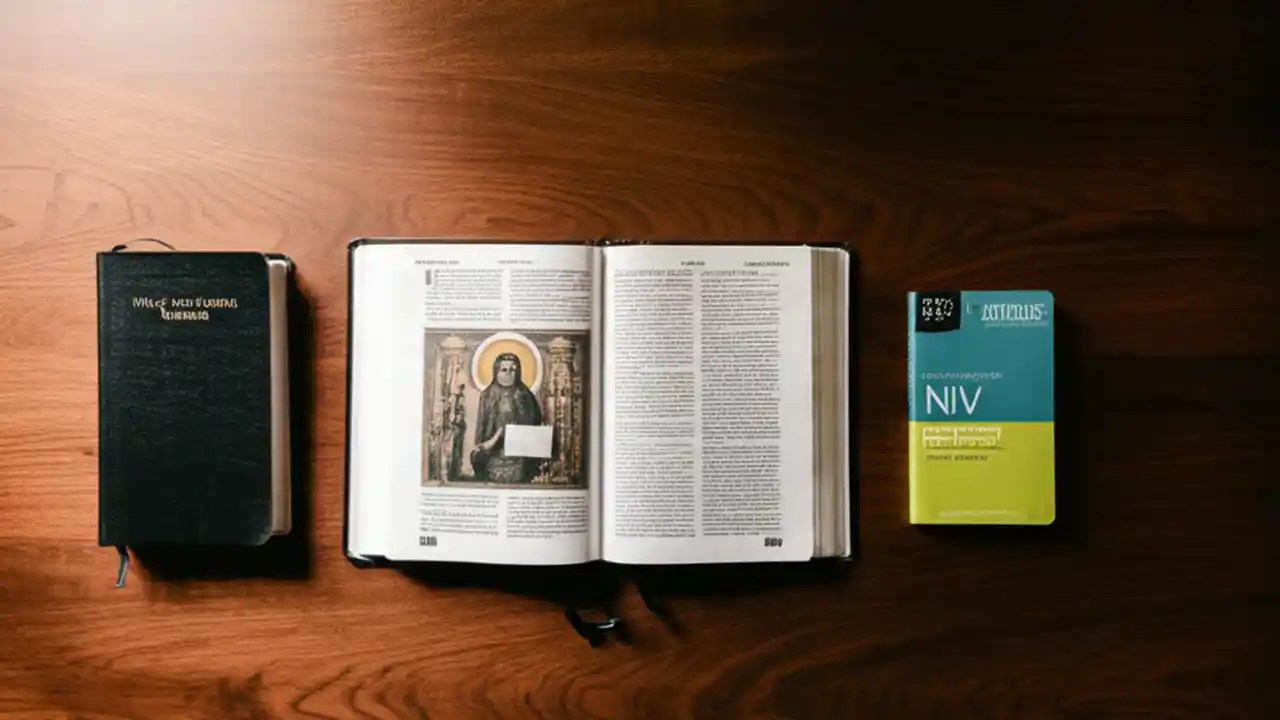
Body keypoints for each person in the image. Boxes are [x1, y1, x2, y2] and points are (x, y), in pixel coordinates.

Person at [472, 352, 542, 483]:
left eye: (512, 370)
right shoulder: (487, 395)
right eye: (504, 370)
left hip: (519, 452)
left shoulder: (525, 395)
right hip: (494, 452)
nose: (508, 373)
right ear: (496, 372)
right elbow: (482, 425)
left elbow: (533, 424)